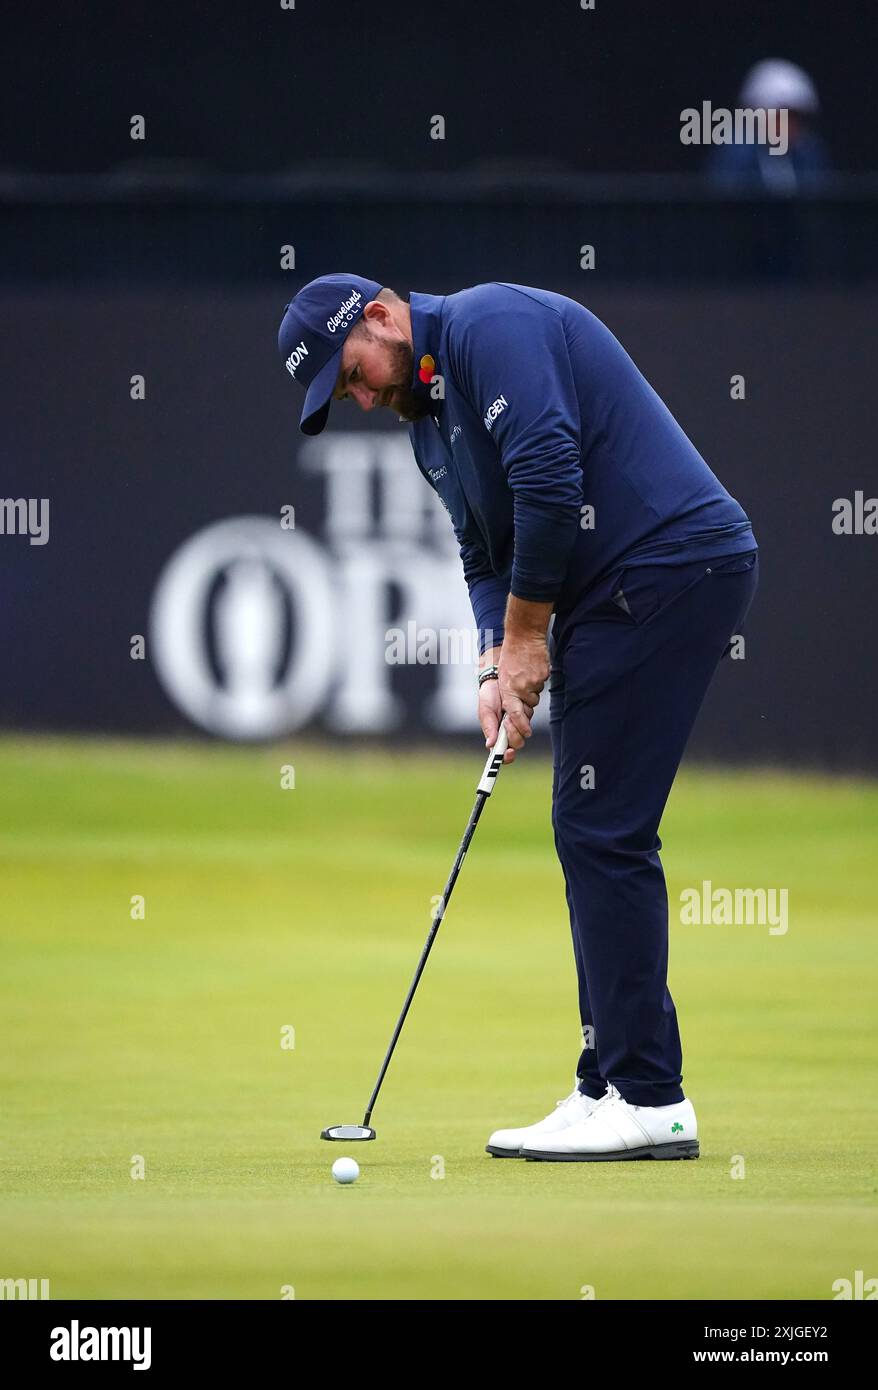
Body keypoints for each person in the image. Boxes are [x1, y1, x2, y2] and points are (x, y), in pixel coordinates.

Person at [277, 275, 759, 1161]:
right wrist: (495, 660)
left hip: (669, 566)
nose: (360, 396)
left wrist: (530, 635)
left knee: (601, 829)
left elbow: (547, 472)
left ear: (382, 316)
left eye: (353, 375)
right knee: (588, 829)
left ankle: (651, 1097)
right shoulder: (427, 426)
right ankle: (608, 1079)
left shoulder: (488, 326)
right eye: (344, 394)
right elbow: (479, 550)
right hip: (611, 594)